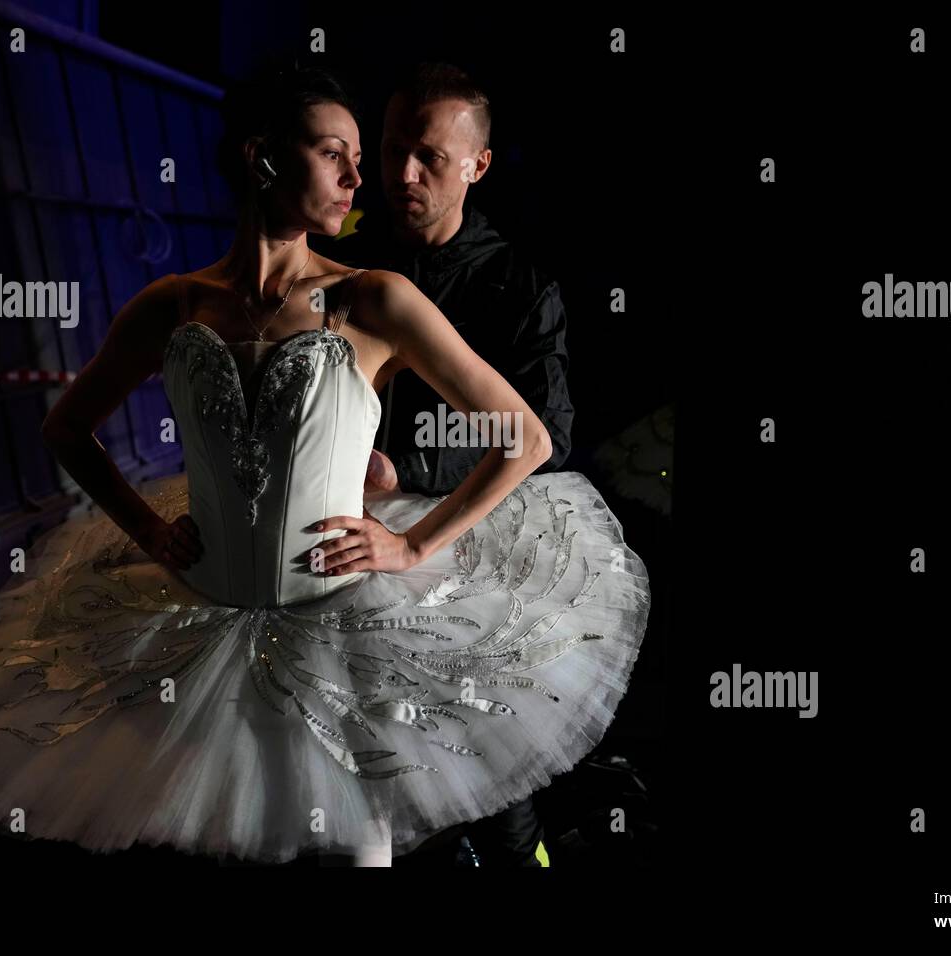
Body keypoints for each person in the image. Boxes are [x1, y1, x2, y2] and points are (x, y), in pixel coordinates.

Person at [0, 63, 650, 868]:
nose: (365, 177)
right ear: (263, 159)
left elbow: (532, 435)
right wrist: (143, 528)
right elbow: (67, 429)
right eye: (342, 154)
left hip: (347, 606)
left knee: (382, 840)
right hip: (197, 613)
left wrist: (412, 544)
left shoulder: (375, 295)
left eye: (380, 157)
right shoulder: (172, 303)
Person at [328, 62, 572, 865]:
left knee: (486, 751)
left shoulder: (517, 285)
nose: (401, 173)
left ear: (478, 164)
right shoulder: (341, 261)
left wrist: (412, 468)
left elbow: (549, 436)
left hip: (464, 530)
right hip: (347, 537)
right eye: (394, 147)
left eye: (429, 156)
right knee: (353, 754)